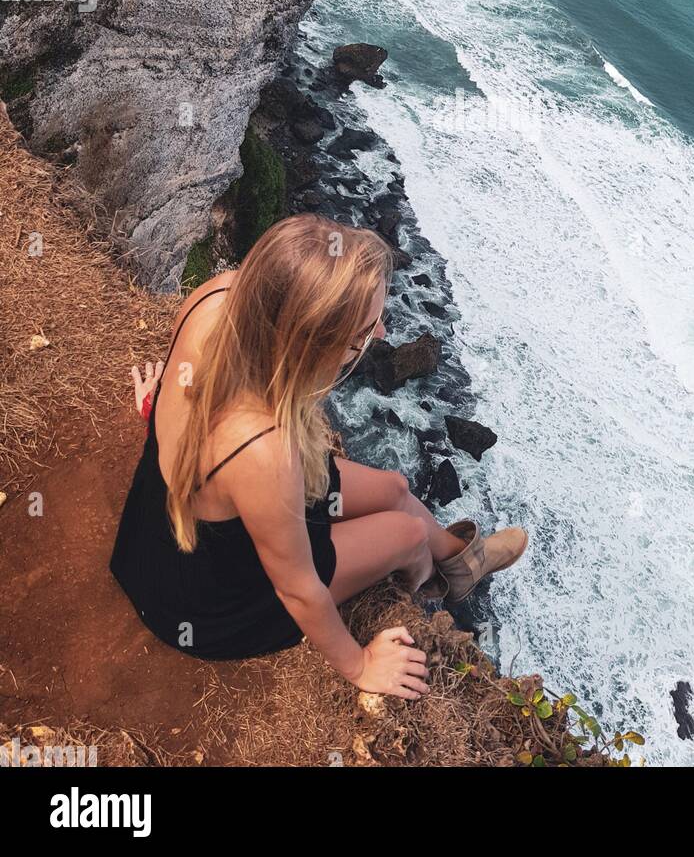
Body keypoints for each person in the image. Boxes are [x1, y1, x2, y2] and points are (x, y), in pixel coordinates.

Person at [110, 214, 528, 698]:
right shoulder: (265, 448)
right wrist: (360, 666)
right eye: (365, 327)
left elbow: (192, 398)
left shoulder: (220, 294)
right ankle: (425, 583)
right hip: (205, 594)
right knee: (409, 532)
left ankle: (462, 563)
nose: (380, 334)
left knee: (395, 489)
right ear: (313, 343)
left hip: (195, 506)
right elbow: (297, 588)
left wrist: (157, 405)